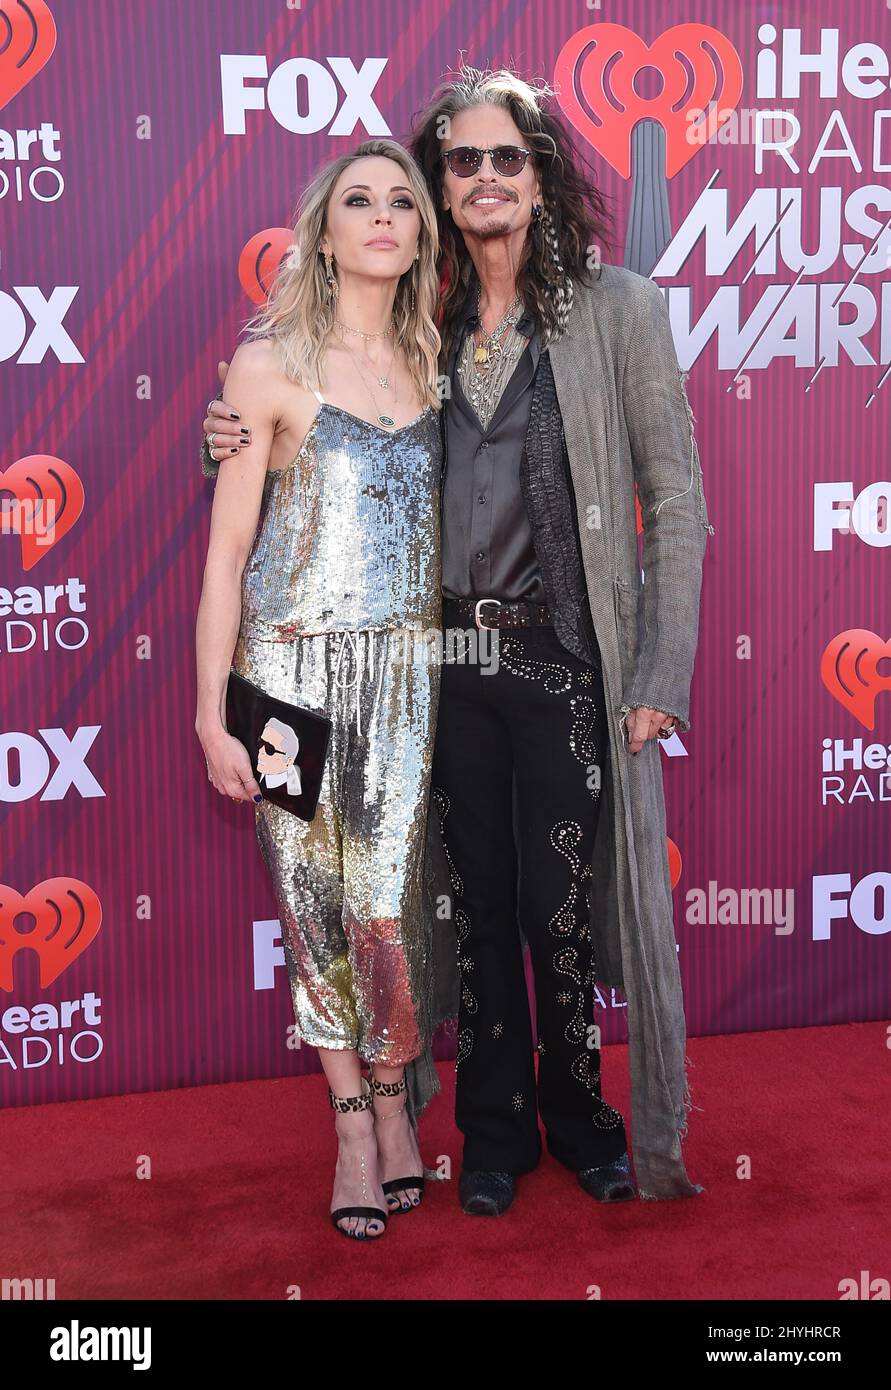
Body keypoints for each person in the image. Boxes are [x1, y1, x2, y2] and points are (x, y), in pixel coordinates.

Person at [202, 66, 714, 1210]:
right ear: (441, 184)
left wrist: (660, 670)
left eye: (507, 158)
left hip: (564, 661)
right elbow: (326, 438)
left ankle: (582, 1119)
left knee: (558, 911)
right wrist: (222, 432)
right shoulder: (416, 322)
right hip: (436, 674)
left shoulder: (616, 311)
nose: (486, 176)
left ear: (541, 178)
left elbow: (677, 499)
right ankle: (491, 1134)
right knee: (469, 904)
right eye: (463, 159)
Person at [194, 139, 448, 1240]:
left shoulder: (441, 361)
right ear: (326, 233)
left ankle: (395, 1101)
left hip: (406, 678)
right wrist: (212, 713)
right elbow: (227, 555)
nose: (383, 216)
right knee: (311, 910)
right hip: (286, 679)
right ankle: (355, 1128)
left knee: (383, 908)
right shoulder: (266, 367)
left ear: (420, 233)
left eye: (401, 202)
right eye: (360, 201)